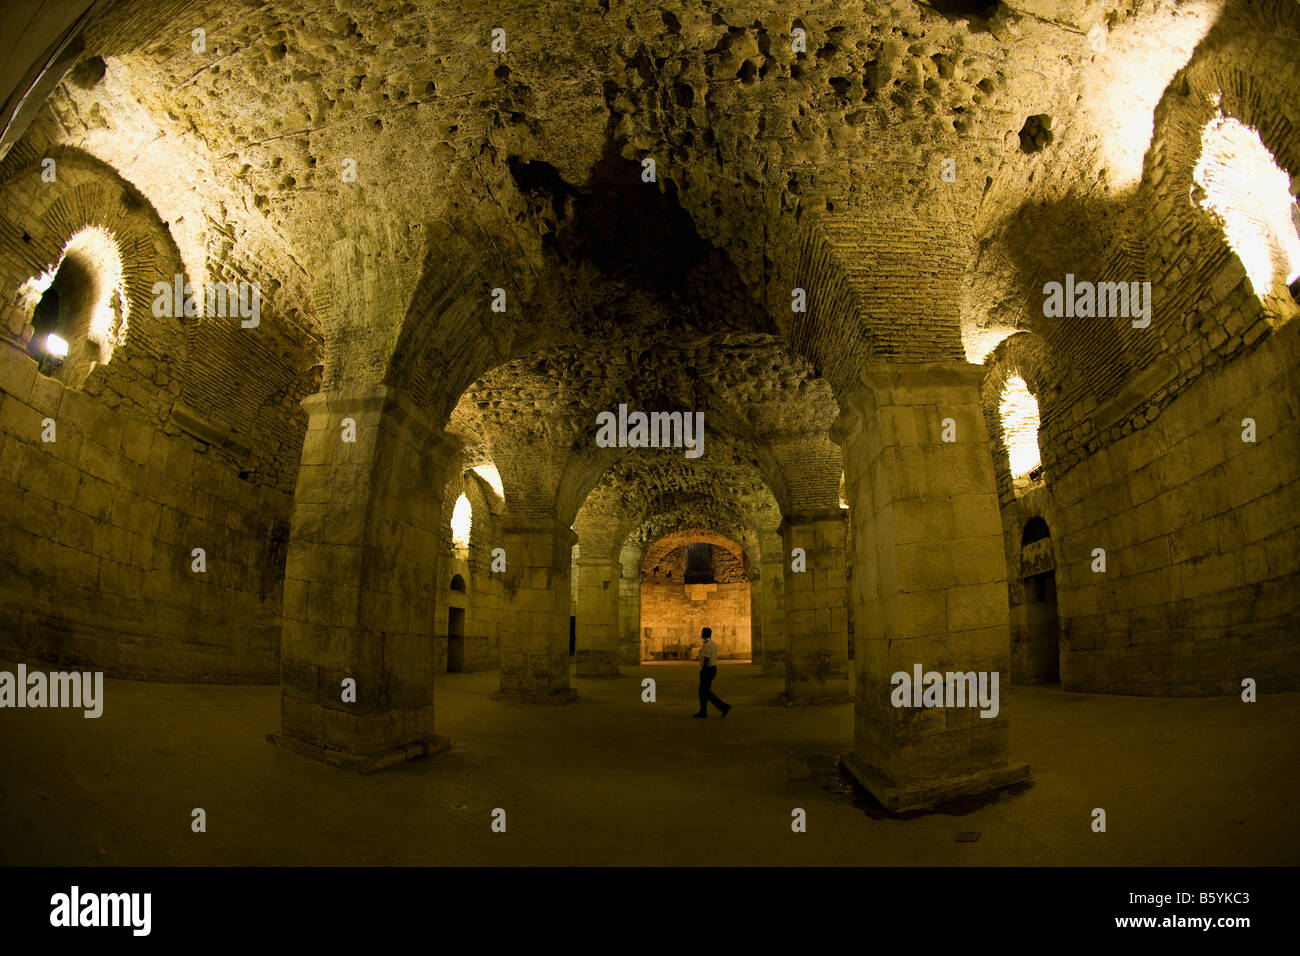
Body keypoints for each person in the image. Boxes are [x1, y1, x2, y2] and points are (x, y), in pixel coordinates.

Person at [693, 626, 730, 719]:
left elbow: (706, 658)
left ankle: (723, 707)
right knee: (704, 692)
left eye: (702, 632)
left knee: (704, 692)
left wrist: (703, 669)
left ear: (704, 634)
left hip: (707, 669)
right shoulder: (712, 643)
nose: (701, 634)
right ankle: (704, 711)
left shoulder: (707, 645)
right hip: (712, 669)